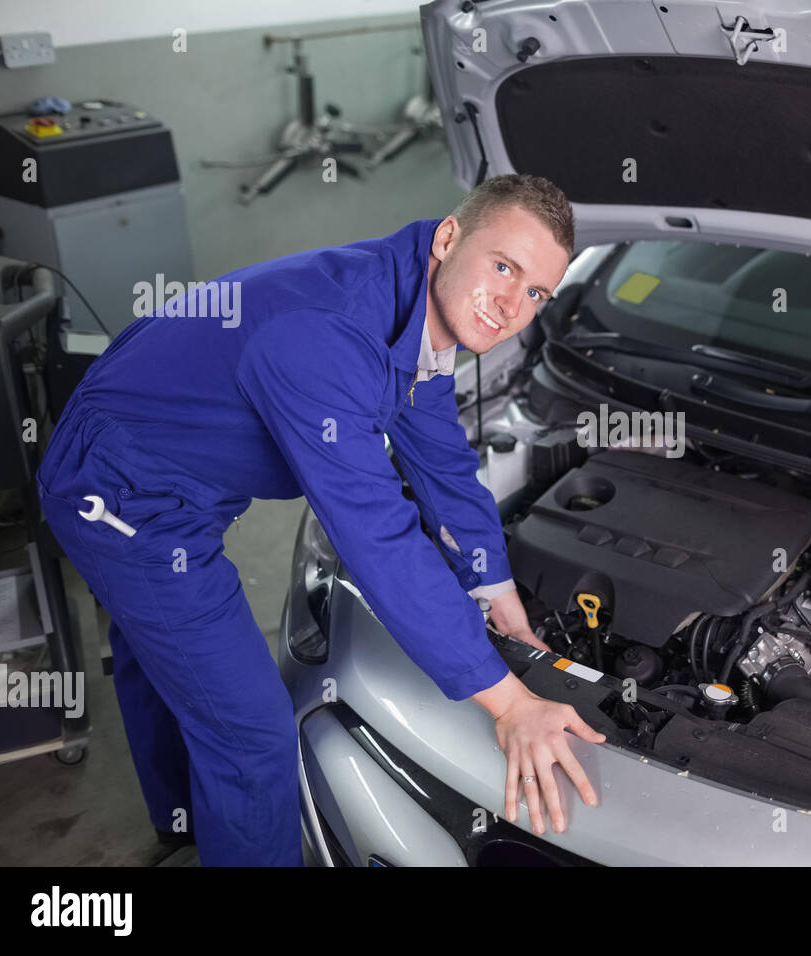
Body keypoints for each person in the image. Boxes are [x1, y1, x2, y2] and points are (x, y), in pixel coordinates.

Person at [35, 173, 606, 866]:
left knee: (160, 652)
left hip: (173, 456)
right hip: (123, 493)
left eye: (538, 291)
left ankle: (181, 820)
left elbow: (444, 467)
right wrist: (511, 705)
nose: (514, 305)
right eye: (505, 267)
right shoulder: (330, 339)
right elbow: (378, 537)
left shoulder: (419, 306)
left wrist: (493, 586)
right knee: (250, 735)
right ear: (451, 237)